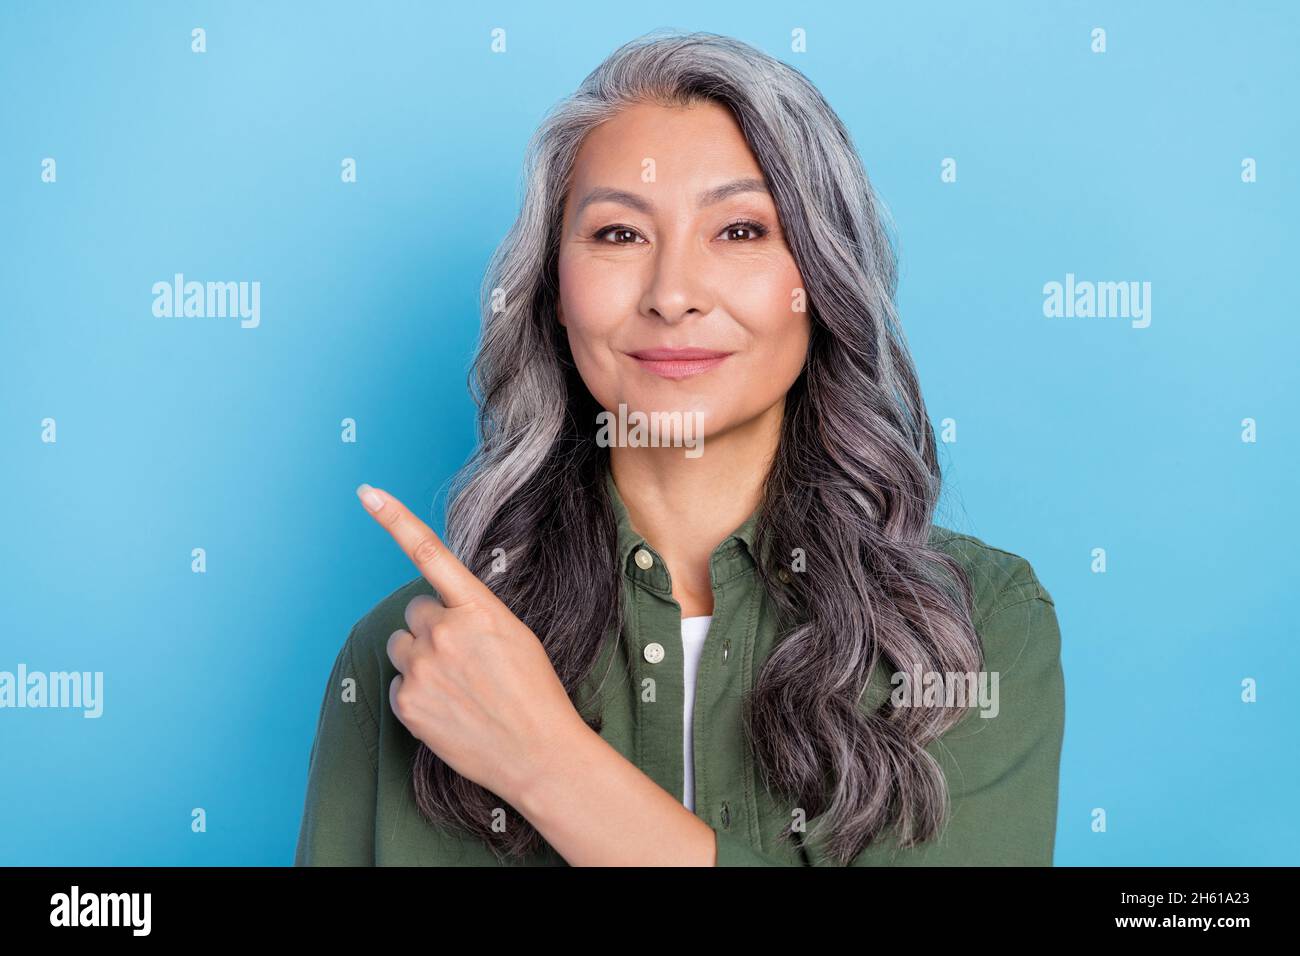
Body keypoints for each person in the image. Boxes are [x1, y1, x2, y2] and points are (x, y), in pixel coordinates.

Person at [294, 29, 1065, 867]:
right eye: (619, 235)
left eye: (739, 231)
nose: (672, 296)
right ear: (553, 290)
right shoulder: (409, 659)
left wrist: (544, 760)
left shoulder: (968, 629)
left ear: (821, 276)